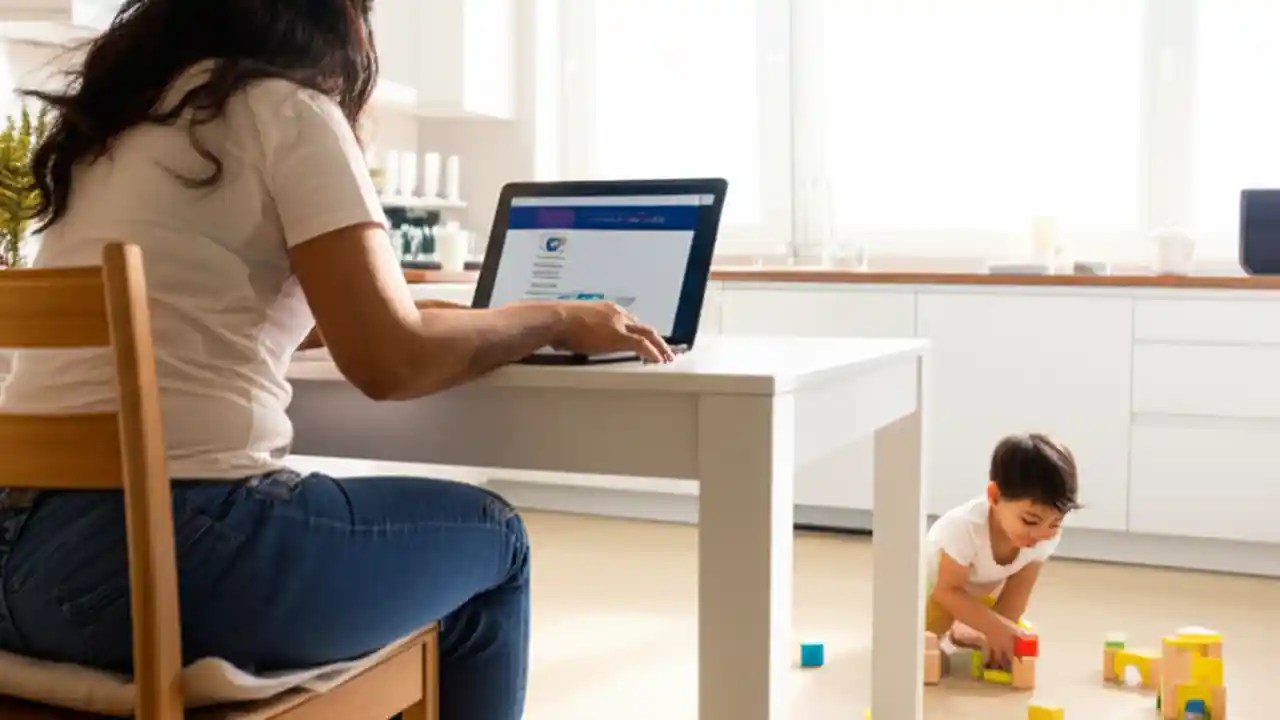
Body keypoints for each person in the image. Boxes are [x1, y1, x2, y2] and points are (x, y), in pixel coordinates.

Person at [0, 1, 674, 719]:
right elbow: (390, 362)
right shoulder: (285, 109)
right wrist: (558, 317)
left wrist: (452, 318)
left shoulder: (121, 132)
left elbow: (218, 314)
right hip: (164, 567)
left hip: (19, 567)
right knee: (494, 539)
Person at [924, 432, 1079, 668]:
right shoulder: (964, 528)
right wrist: (995, 628)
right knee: (928, 652)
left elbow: (1018, 592)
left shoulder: (1044, 535)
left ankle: (965, 629)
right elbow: (946, 592)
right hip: (932, 593)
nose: (1041, 534)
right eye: (1030, 521)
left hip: (977, 590)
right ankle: (948, 630)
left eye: (1055, 522)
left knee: (1008, 627)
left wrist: (1001, 633)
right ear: (994, 497)